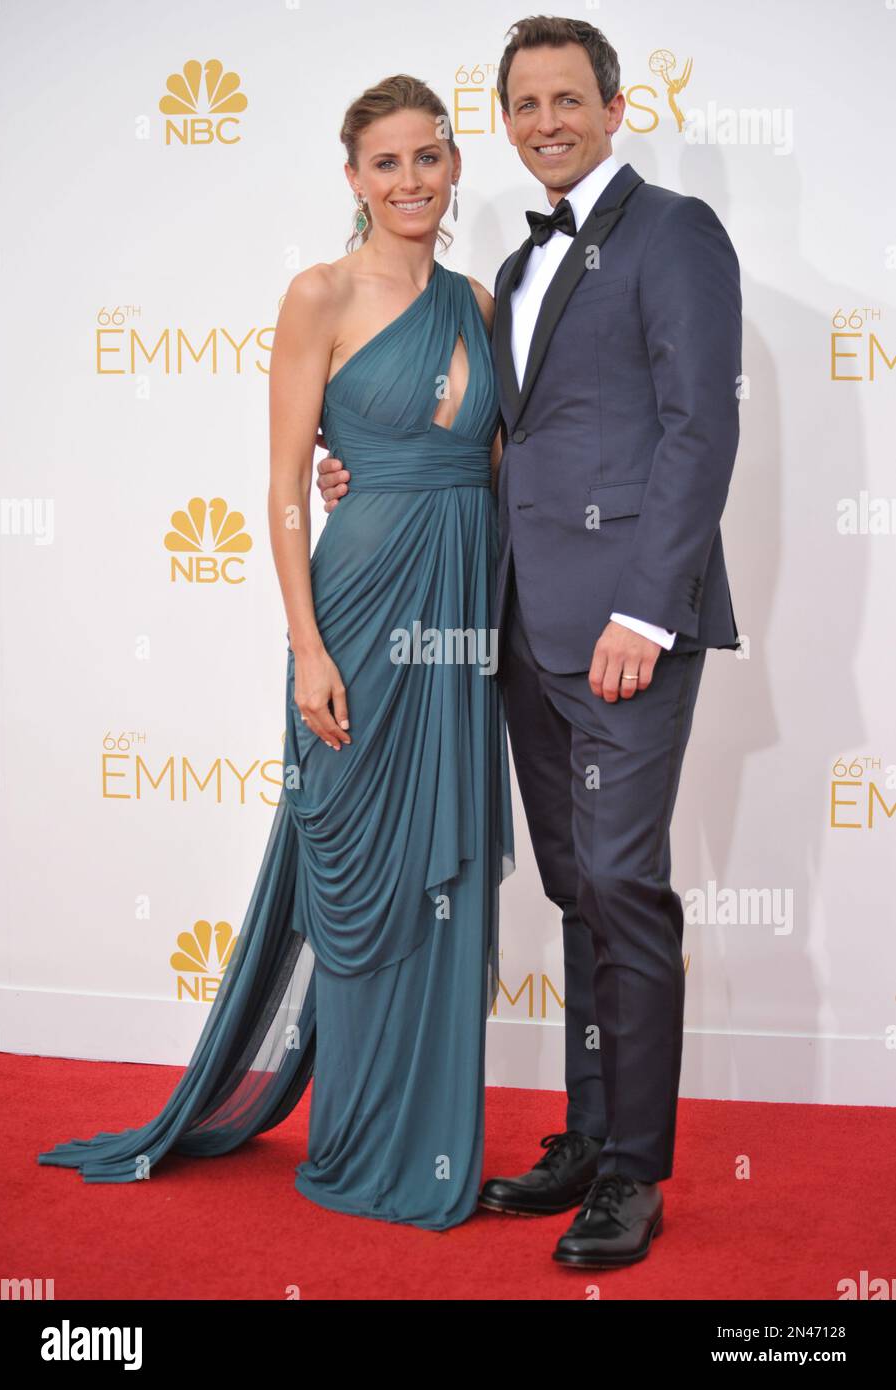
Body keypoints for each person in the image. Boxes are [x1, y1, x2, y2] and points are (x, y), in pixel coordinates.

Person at [37, 75, 514, 1232]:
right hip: (354, 610)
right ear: (352, 178)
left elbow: (498, 463)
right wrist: (305, 647)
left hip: (460, 614)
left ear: (453, 169)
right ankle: (354, 1139)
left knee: (438, 872)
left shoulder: (481, 305)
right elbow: (284, 485)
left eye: (427, 158)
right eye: (385, 162)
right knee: (356, 872)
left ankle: (431, 1143)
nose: (409, 180)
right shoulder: (318, 294)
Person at [317, 17, 742, 1266]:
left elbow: (696, 433)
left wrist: (646, 609)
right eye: (523, 103)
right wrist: (379, 473)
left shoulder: (674, 234)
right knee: (571, 892)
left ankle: (635, 1174)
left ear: (615, 106)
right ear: (502, 122)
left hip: (622, 628)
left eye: (568, 96)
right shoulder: (511, 265)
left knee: (622, 886)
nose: (545, 120)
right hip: (518, 621)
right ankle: (586, 1135)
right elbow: (514, 441)